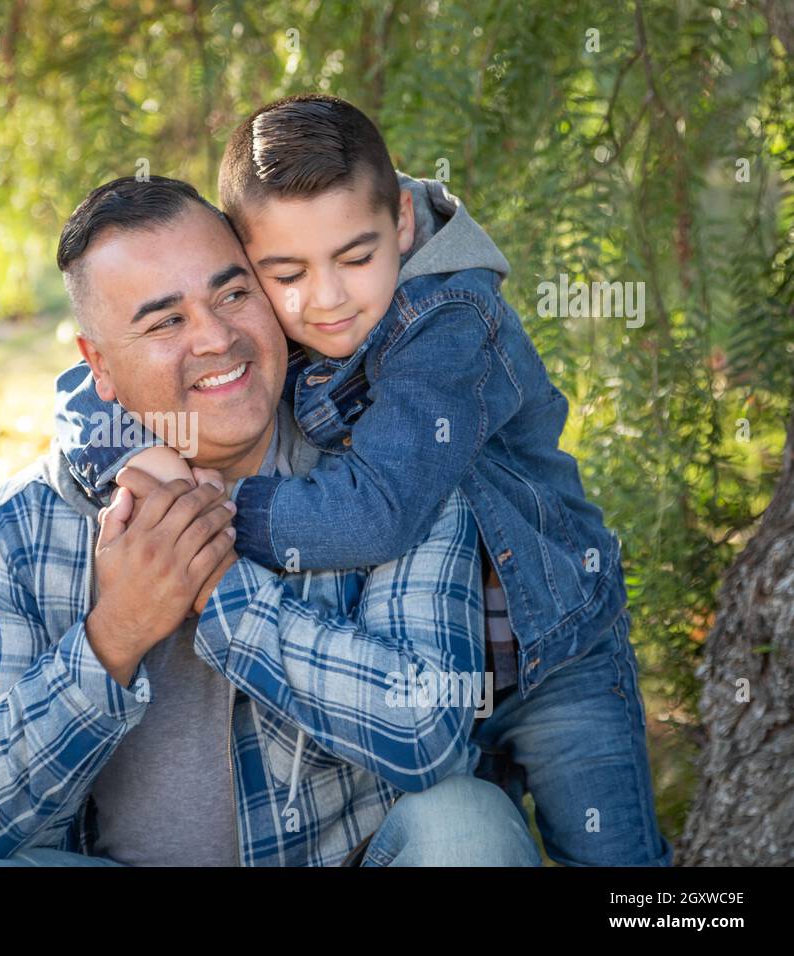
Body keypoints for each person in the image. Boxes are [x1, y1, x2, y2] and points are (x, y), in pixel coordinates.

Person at [53, 95, 671, 866]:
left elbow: (375, 512)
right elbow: (96, 379)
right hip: (442, 664)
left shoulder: (449, 321)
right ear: (248, 262)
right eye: (284, 274)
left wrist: (205, 513)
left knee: (618, 866)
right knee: (474, 833)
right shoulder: (266, 308)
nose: (327, 298)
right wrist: (128, 461)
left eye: (355, 257)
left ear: (403, 226)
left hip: (556, 654)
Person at [0, 175, 539, 866]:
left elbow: (430, 730)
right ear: (98, 364)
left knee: (467, 825)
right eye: (165, 321)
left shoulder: (386, 479)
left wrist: (221, 589)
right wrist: (118, 631)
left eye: (232, 294)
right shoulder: (27, 521)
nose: (218, 339)